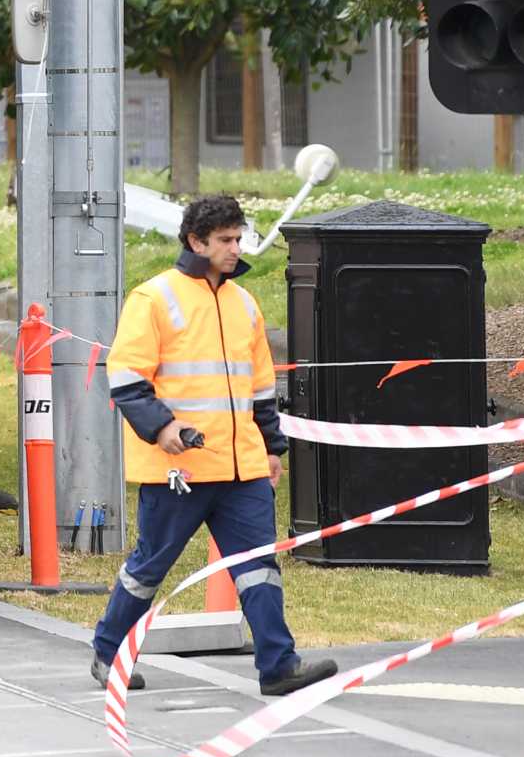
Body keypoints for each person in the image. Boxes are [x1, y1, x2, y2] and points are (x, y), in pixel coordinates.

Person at [89, 194, 340, 698]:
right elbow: (126, 377)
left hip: (241, 467)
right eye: (225, 240)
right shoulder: (154, 298)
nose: (235, 248)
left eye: (238, 238)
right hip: (179, 468)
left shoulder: (243, 303)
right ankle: (108, 654)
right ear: (196, 241)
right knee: (149, 568)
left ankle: (278, 666)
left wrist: (271, 449)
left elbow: (261, 387)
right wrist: (162, 428)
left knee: (259, 568)